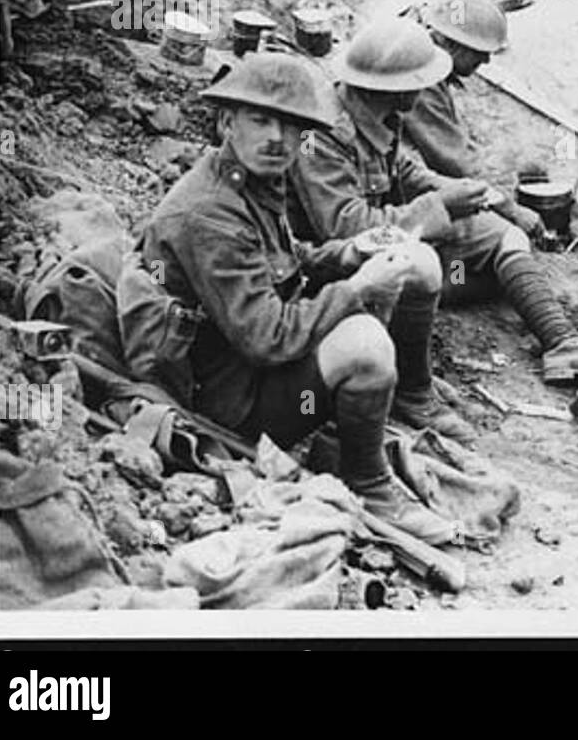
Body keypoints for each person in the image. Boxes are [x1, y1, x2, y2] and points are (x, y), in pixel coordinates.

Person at [139, 52, 454, 539]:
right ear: (227, 122)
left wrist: (347, 254)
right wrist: (355, 288)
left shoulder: (248, 180)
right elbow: (267, 338)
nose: (276, 138)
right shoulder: (207, 214)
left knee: (396, 272)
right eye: (260, 120)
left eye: (290, 126)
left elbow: (285, 260)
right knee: (364, 343)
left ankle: (362, 424)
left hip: (254, 372)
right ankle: (367, 480)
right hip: (230, 405)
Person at [288, 16, 578, 387]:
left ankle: (562, 344)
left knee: (504, 237)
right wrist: (441, 205)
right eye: (423, 80)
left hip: (396, 234)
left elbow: (404, 172)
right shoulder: (320, 136)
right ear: (398, 87)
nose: (431, 86)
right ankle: (414, 381)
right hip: (343, 268)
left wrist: (478, 196)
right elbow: (346, 228)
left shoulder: (378, 113)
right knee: (450, 269)